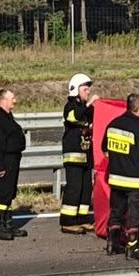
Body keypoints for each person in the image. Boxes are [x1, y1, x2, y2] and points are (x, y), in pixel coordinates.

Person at [101, 92, 139, 260]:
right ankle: (132, 249)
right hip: (136, 181)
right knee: (135, 215)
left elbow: (105, 149)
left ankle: (112, 244)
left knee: (116, 212)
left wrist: (120, 162)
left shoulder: (113, 124)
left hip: (116, 179)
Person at [0, 88, 27, 239]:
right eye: (12, 98)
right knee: (1, 194)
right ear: (3, 100)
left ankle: (8, 225)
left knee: (9, 193)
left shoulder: (7, 117)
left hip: (12, 160)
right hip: (3, 161)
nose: (15, 101)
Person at [59, 73, 96, 234]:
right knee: (75, 187)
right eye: (85, 89)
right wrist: (89, 106)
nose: (88, 92)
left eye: (88, 89)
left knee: (86, 187)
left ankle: (82, 217)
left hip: (86, 154)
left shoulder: (87, 108)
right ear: (75, 90)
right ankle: (67, 221)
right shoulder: (71, 106)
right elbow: (74, 117)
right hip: (74, 154)